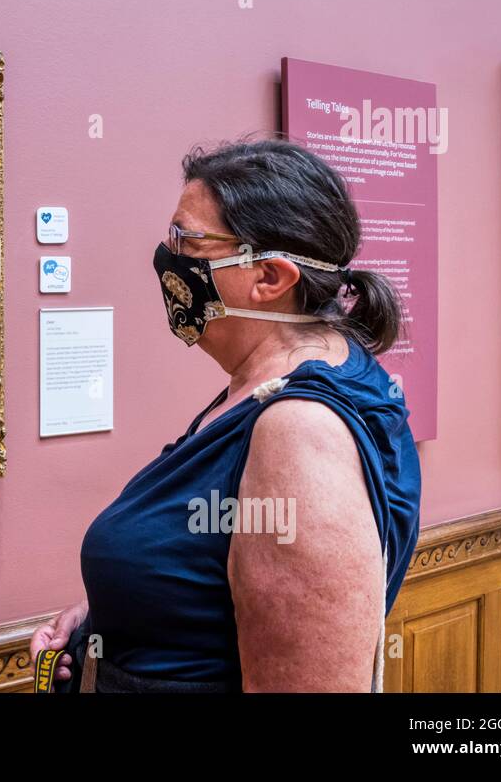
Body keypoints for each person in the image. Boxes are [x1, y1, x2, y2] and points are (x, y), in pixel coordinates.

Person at [30, 138, 422, 692]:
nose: (170, 257)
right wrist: (110, 616)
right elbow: (206, 581)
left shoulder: (301, 433)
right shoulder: (261, 385)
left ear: (270, 279)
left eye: (187, 241)